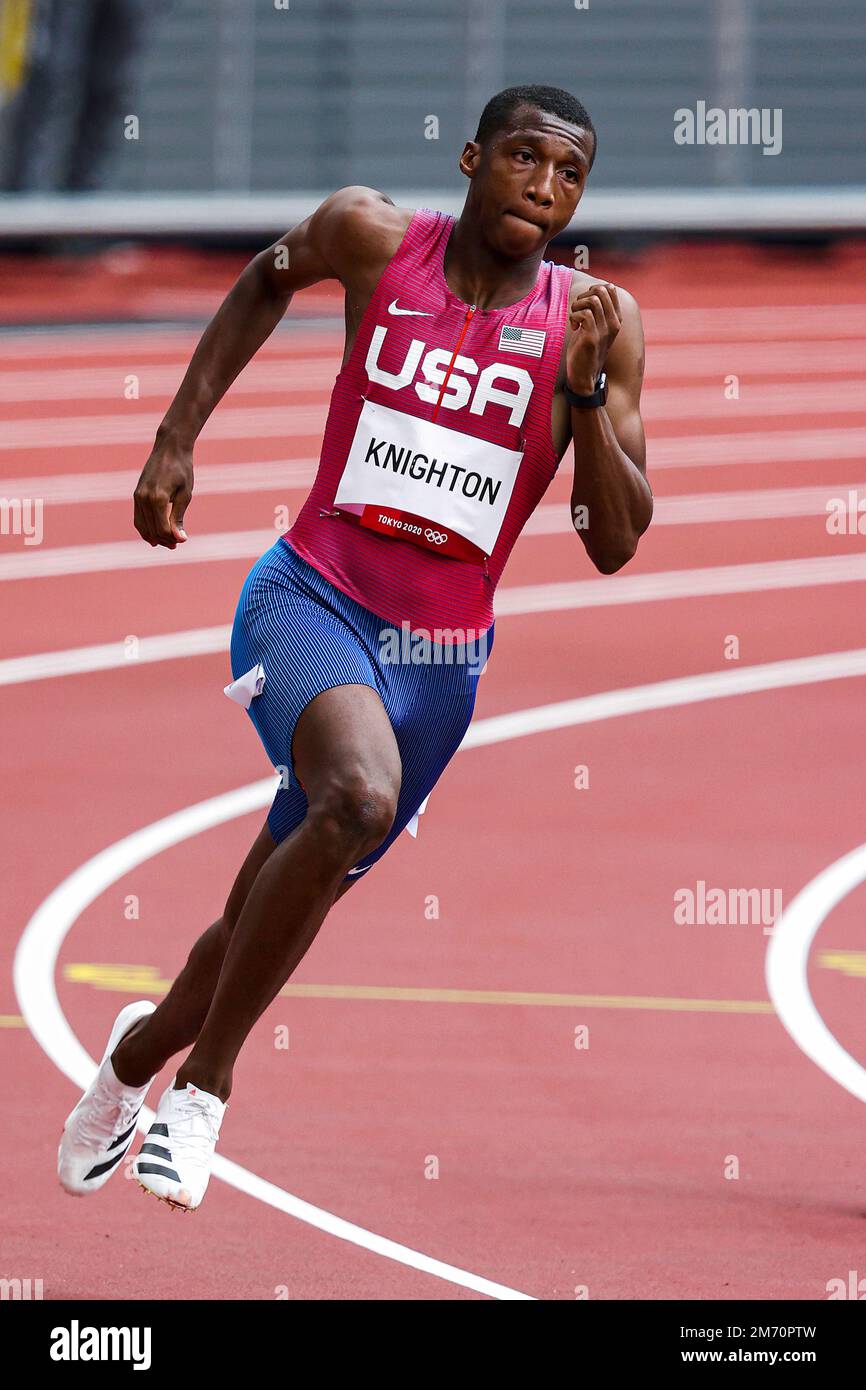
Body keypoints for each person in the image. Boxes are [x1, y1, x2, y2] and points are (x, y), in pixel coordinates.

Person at [58, 84, 652, 1212]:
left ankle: (136, 1060)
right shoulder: (372, 236)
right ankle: (209, 1093)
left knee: (252, 925)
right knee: (358, 798)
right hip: (311, 594)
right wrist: (173, 440)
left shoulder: (598, 324)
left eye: (568, 174)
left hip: (438, 664)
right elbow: (262, 280)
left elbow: (613, 543)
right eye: (524, 158)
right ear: (472, 159)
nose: (543, 186)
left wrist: (578, 398)